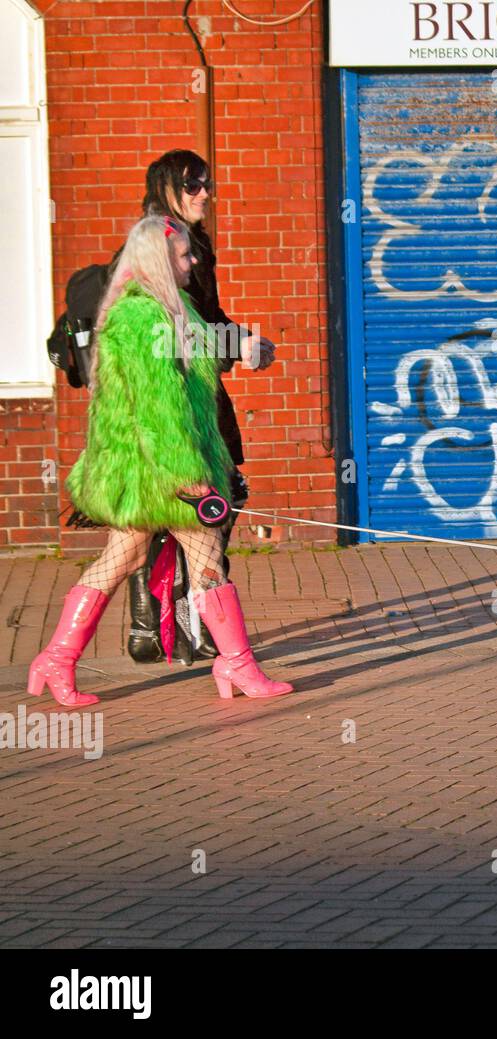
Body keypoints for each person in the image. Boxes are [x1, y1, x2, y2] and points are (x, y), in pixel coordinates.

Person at [29, 215, 292, 706]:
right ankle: (237, 666)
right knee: (206, 555)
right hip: (162, 469)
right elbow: (158, 411)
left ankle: (56, 659)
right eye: (185, 254)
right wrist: (188, 479)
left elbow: (193, 348)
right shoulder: (144, 318)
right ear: (158, 260)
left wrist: (242, 345)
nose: (193, 261)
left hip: (143, 471)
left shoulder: (164, 311)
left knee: (122, 557)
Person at [124, 149, 277, 664]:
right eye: (194, 185)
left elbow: (205, 316)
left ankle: (157, 621)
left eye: (207, 183)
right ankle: (183, 617)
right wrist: (237, 345)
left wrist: (241, 340)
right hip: (169, 399)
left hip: (196, 391)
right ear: (168, 188)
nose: (205, 194)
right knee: (209, 501)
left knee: (174, 513)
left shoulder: (191, 243)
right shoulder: (158, 243)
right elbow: (171, 333)